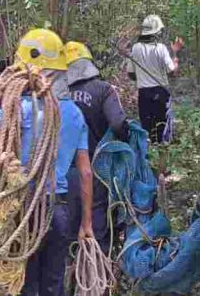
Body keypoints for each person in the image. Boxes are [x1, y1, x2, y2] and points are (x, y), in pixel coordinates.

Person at [0, 28, 94, 296]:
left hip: (24, 209)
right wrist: (86, 223)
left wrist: (2, 97)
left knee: (25, 284)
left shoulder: (21, 108)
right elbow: (85, 173)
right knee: (53, 284)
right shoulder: (74, 114)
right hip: (59, 210)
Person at [65, 41, 129, 254]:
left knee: (67, 231)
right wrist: (126, 142)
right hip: (97, 172)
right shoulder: (103, 90)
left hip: (63, 174)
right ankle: (97, 279)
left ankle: (70, 279)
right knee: (97, 231)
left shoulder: (58, 95)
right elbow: (118, 123)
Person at [127, 15, 184, 144]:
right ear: (157, 32)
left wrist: (143, 76)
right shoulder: (161, 48)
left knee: (147, 132)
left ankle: (149, 160)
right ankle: (162, 160)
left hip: (144, 95)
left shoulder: (135, 48)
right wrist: (175, 53)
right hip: (160, 93)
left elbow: (131, 74)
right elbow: (172, 71)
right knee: (162, 133)